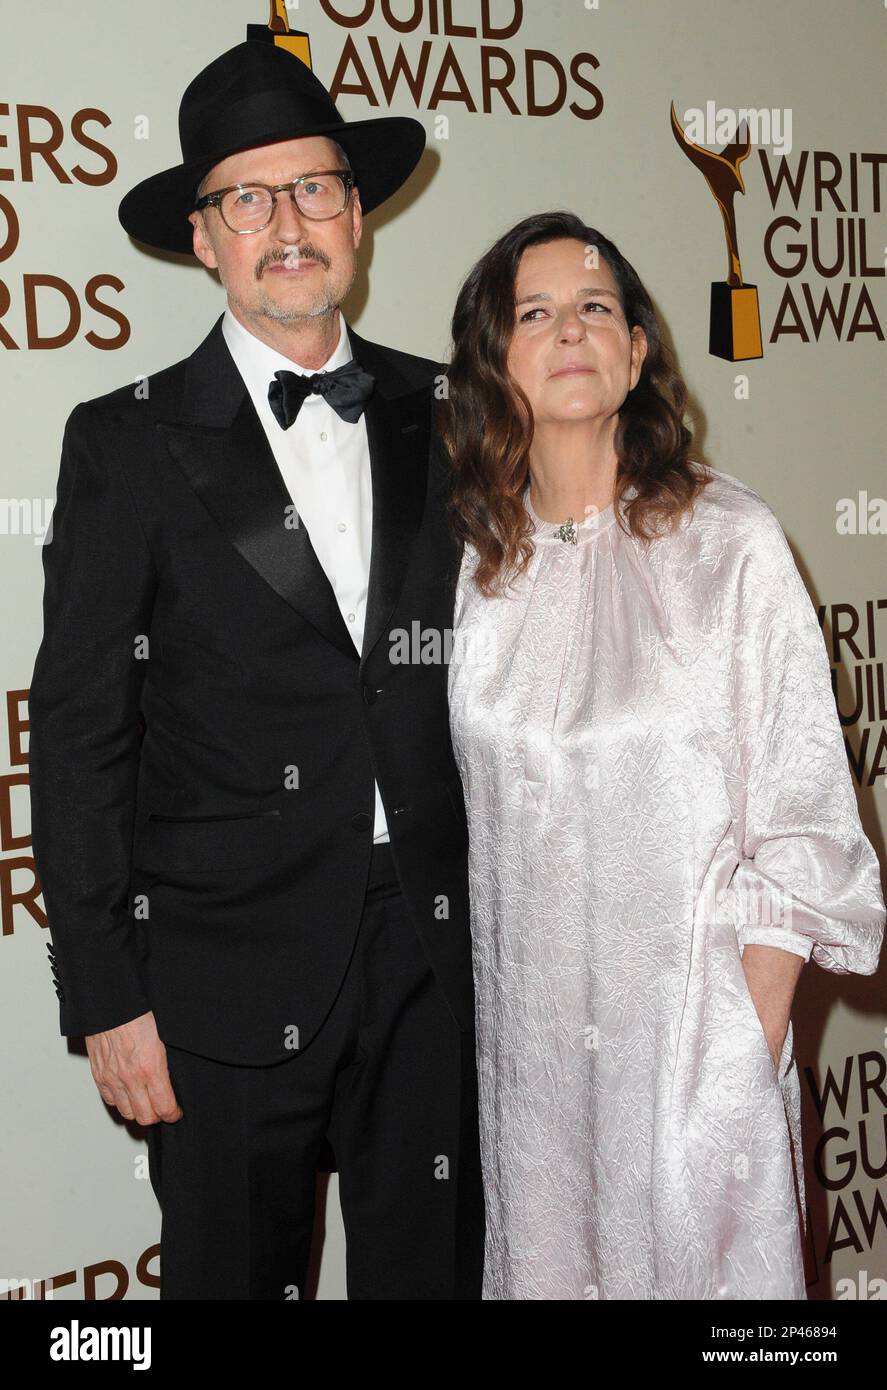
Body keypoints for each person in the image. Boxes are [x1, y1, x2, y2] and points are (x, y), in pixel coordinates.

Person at [28, 40, 484, 1300]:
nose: (287, 225)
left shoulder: (453, 411)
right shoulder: (122, 441)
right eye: (248, 198)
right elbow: (75, 735)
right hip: (219, 984)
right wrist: (106, 998)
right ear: (203, 237)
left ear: (359, 212)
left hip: (432, 965)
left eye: (315, 189)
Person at [439, 210, 886, 1300]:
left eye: (596, 308)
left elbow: (804, 826)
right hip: (534, 1070)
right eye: (533, 313)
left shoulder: (728, 545)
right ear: (494, 361)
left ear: (638, 350)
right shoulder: (472, 566)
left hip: (691, 1058)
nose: (569, 331)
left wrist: (743, 1037)